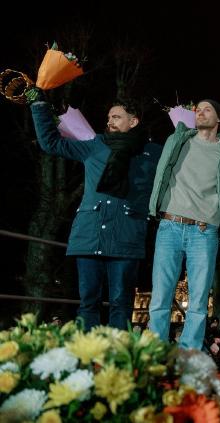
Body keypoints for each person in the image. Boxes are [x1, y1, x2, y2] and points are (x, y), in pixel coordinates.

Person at [30, 95, 160, 331]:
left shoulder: (152, 152)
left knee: (121, 301)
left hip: (127, 234)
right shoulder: (94, 145)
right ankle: (88, 350)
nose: (110, 121)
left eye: (116, 117)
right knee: (88, 301)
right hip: (90, 234)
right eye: (109, 117)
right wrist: (39, 106)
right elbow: (51, 143)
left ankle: (118, 351)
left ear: (133, 122)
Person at [147, 99, 220, 350]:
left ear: (218, 119)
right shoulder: (178, 140)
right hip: (169, 225)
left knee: (199, 299)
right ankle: (155, 351)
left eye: (207, 109)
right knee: (160, 295)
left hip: (204, 230)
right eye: (198, 109)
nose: (200, 112)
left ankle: (189, 352)